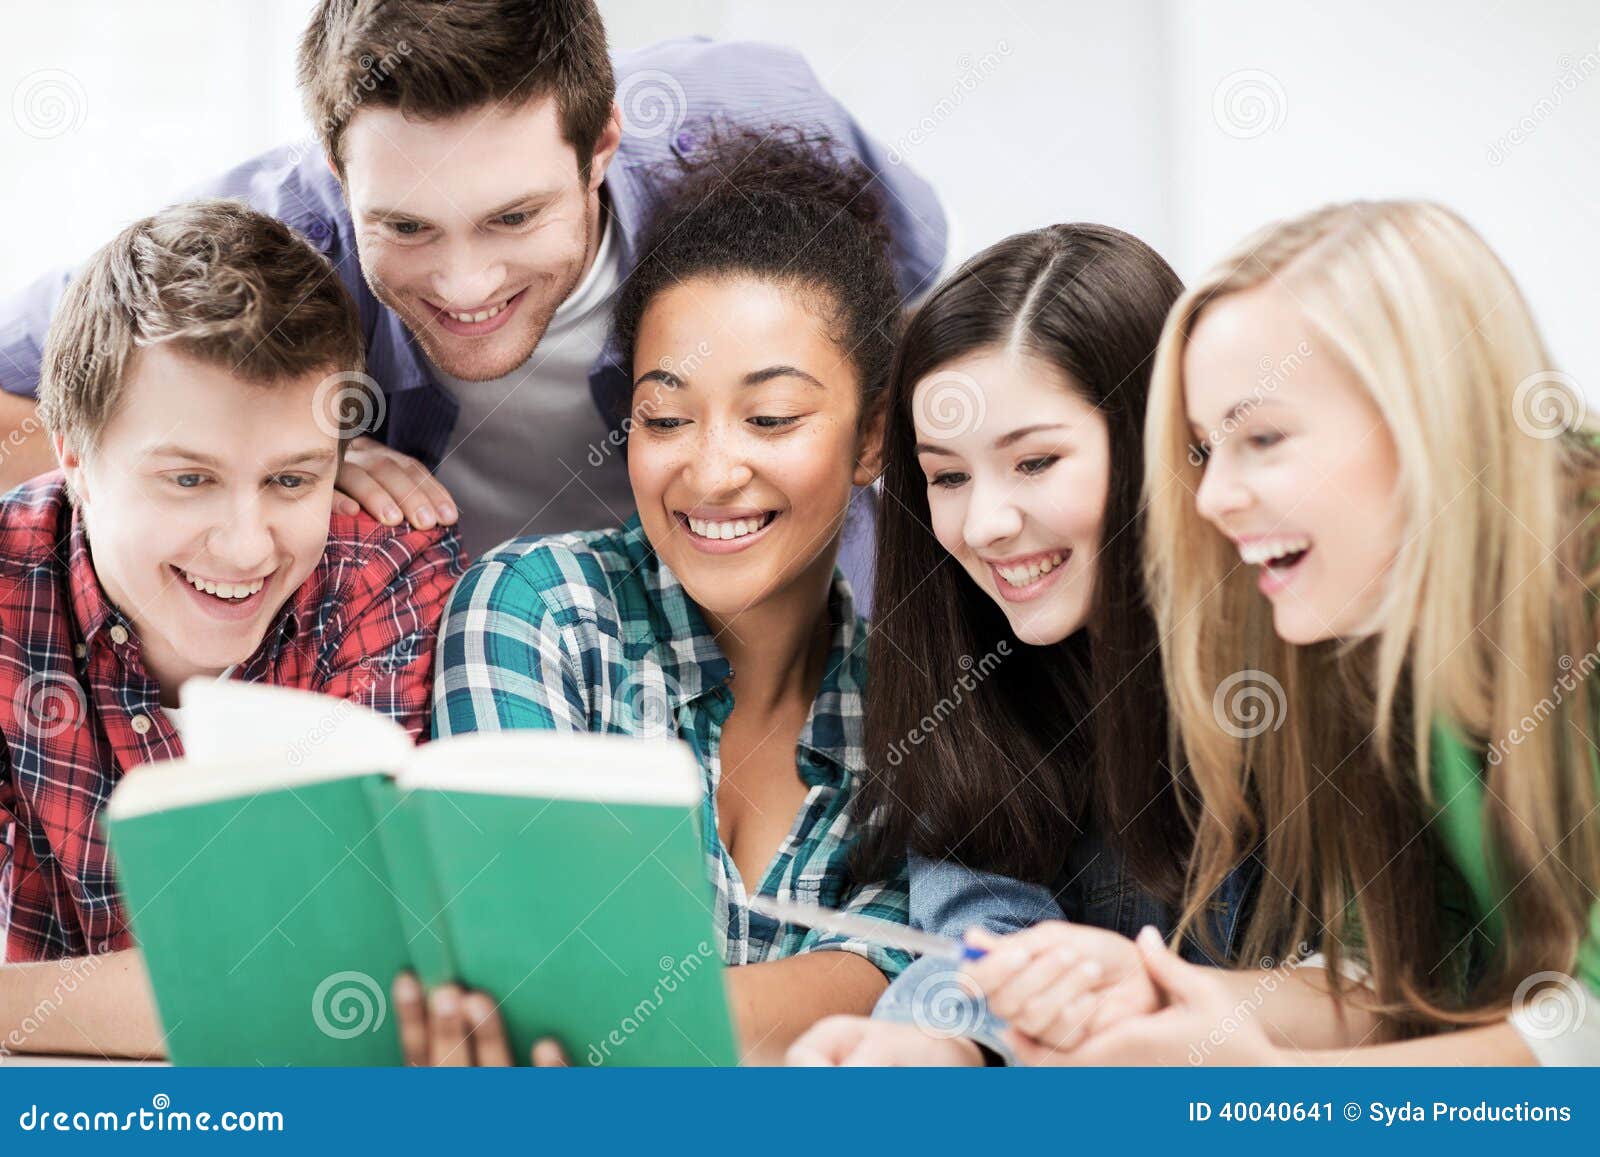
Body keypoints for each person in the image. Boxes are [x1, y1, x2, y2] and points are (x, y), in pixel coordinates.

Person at [0, 0, 949, 606]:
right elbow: (20, 412)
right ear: (337, 171)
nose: (463, 287)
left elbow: (904, 327)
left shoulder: (757, 116)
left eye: (513, 217)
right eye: (407, 228)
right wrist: (278, 460)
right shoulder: (272, 241)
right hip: (460, 695)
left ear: (603, 143)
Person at [983, 200, 1600, 1064]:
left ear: (1430, 415)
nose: (1212, 498)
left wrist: (1277, 1093)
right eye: (1204, 449)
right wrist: (1160, 999)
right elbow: (1400, 974)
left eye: (1263, 437)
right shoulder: (1371, 627)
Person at [413, 130, 910, 1065]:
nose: (713, 470)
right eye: (666, 417)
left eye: (770, 418)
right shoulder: (534, 611)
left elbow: (900, 976)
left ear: (873, 436)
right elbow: (530, 993)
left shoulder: (909, 706)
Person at [0, 200, 462, 1060]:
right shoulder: (8, 584)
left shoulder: (384, 585)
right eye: (189, 479)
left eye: (291, 479)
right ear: (74, 456)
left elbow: (305, 983)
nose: (247, 545)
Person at [787, 226, 1252, 1067]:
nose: (988, 524)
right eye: (949, 476)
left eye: (1035, 461)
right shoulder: (973, 682)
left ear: (1162, 439)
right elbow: (980, 941)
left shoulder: (1297, 659)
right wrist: (936, 1047)